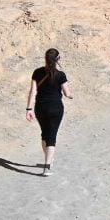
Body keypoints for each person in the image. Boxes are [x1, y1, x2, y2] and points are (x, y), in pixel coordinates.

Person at [25, 48, 73, 176]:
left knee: (44, 134)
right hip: (56, 108)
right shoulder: (61, 75)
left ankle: (48, 159)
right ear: (58, 59)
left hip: (40, 108)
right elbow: (67, 93)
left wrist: (29, 109)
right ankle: (47, 167)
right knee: (52, 137)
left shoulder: (37, 72)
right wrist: (70, 95)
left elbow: (33, 92)